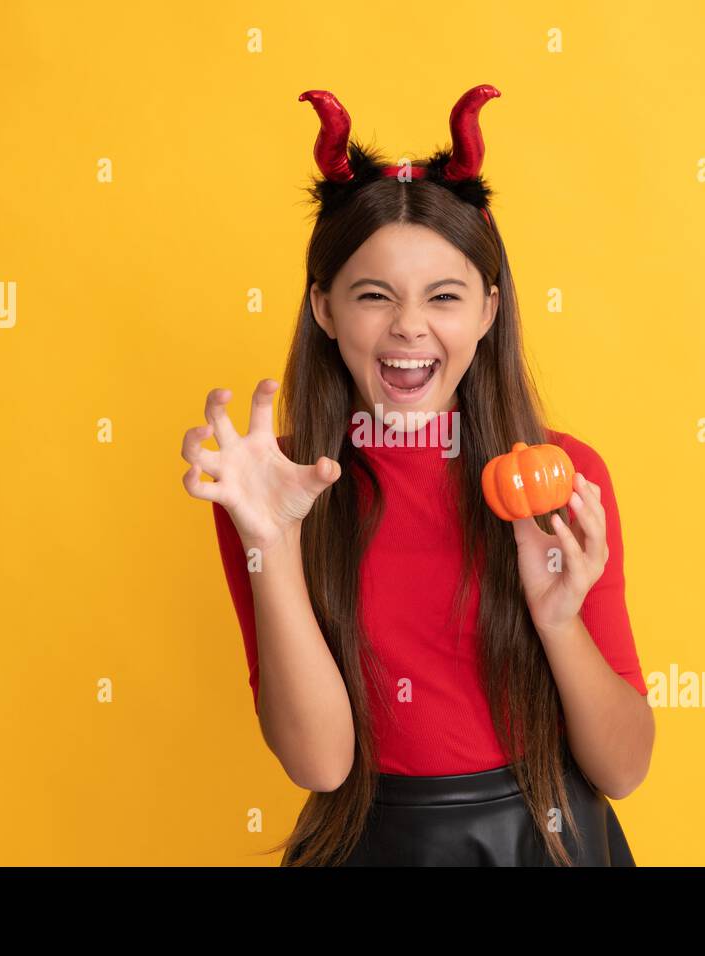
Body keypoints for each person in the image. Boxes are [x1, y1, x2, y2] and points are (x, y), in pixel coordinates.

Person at [181, 85, 655, 866]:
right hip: (370, 844)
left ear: (488, 310)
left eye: (444, 296)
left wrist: (557, 617)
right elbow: (320, 763)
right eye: (374, 296)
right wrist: (270, 539)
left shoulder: (562, 476)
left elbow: (625, 767)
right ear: (325, 310)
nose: (409, 326)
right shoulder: (269, 485)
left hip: (550, 841)